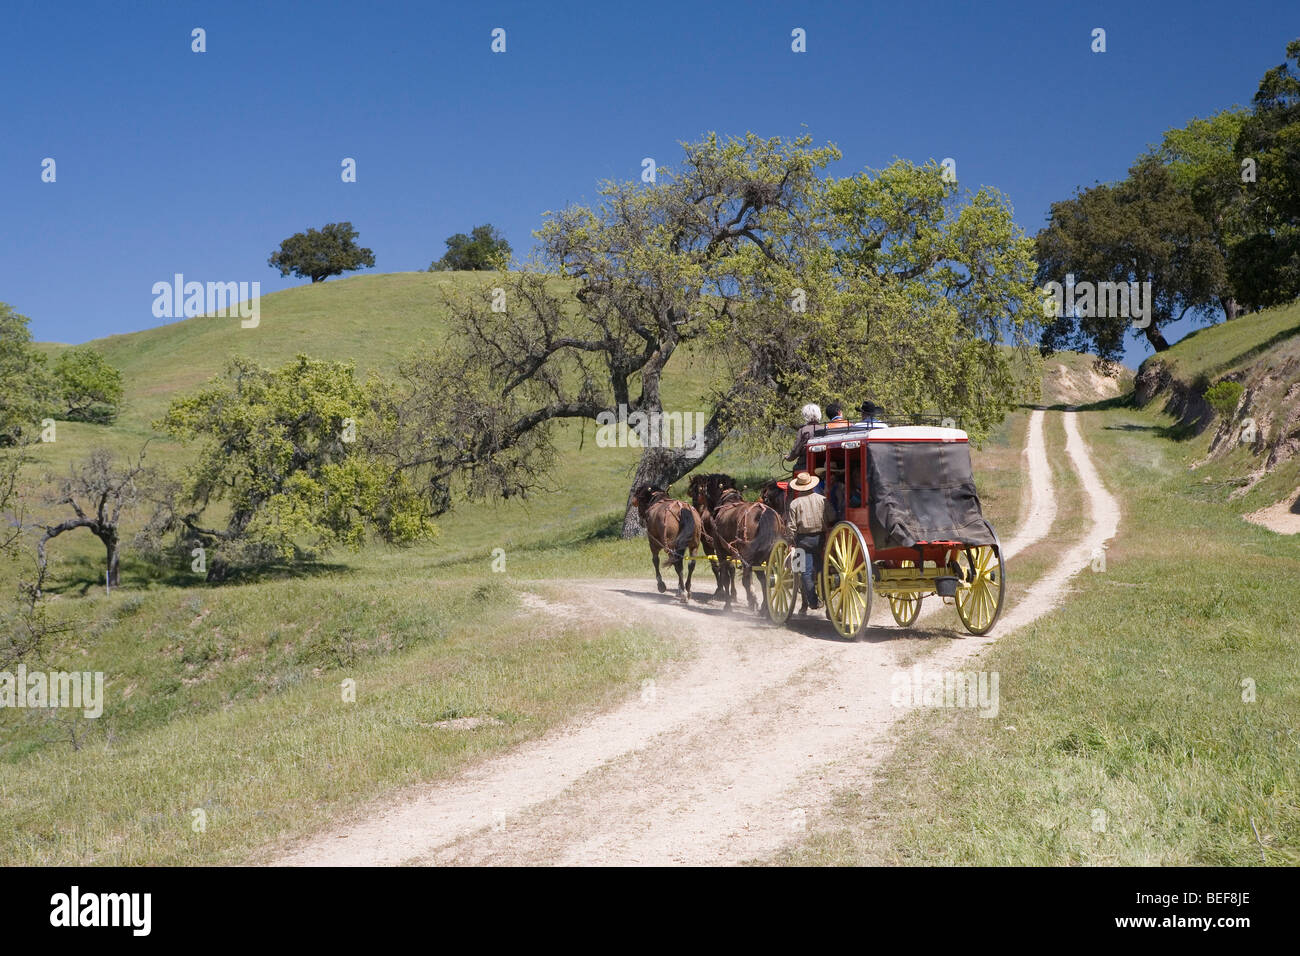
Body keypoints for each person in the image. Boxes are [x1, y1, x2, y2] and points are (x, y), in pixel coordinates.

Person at [786, 470, 831, 612]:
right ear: (811, 485)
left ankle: (812, 601)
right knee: (822, 568)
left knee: (804, 572)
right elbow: (832, 516)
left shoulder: (794, 503)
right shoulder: (822, 499)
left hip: (802, 540)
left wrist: (790, 543)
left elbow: (791, 526)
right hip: (821, 539)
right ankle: (827, 599)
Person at [785, 403, 822, 468]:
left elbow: (796, 451)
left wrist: (788, 458)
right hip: (821, 464)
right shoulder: (823, 429)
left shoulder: (803, 430)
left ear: (805, 415)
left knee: (795, 468)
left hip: (805, 464)